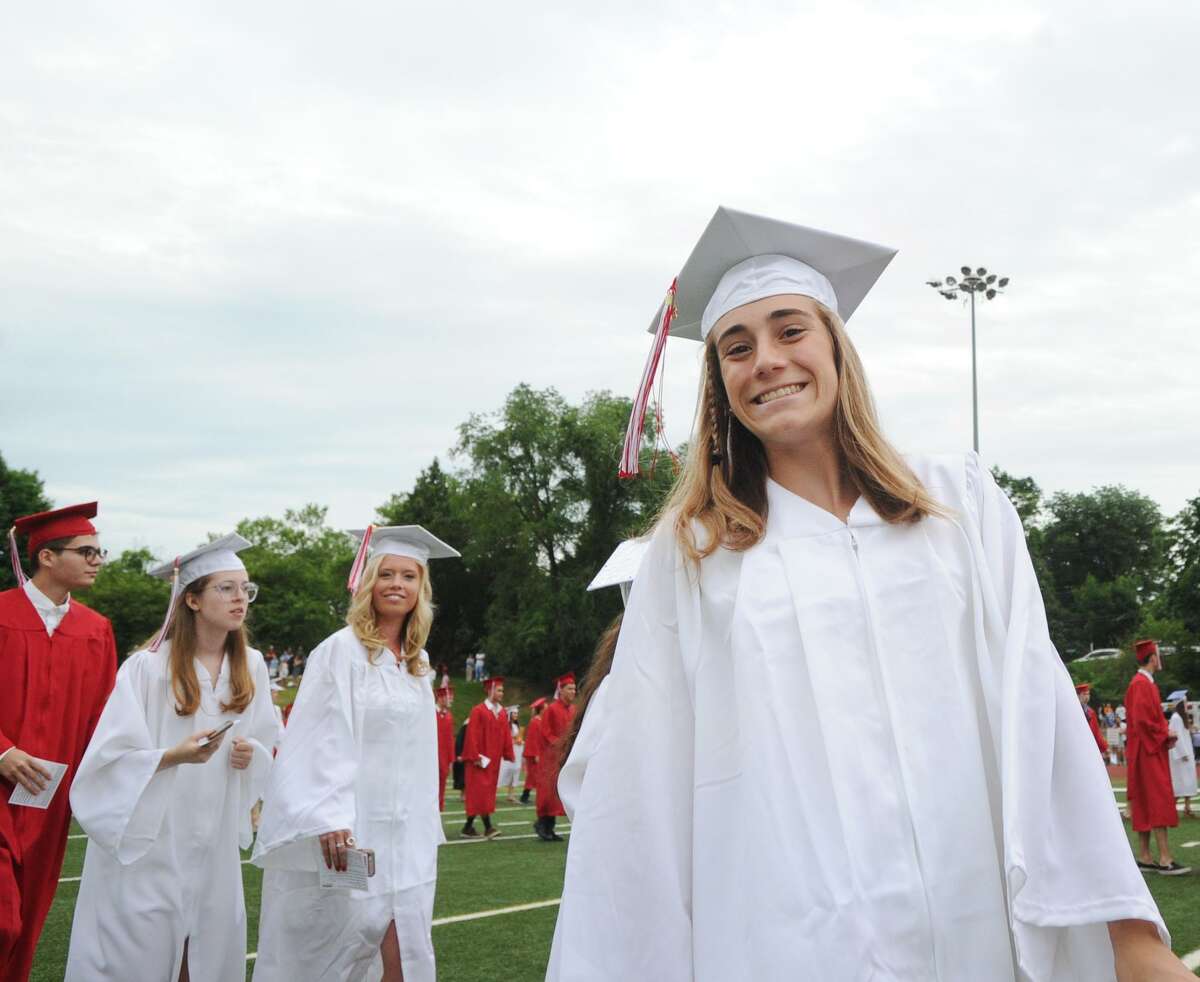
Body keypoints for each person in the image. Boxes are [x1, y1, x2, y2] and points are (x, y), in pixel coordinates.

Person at [548, 207, 1185, 980]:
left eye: (790, 331)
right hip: (789, 939)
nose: (767, 362)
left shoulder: (960, 505)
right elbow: (634, 795)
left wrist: (1130, 933)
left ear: (837, 349)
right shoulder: (692, 561)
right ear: (717, 382)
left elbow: (1040, 714)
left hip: (972, 923)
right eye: (736, 348)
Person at [65, 534, 280, 981]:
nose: (241, 598)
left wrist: (249, 755)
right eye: (226, 588)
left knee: (206, 944)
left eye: (246, 588)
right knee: (141, 947)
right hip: (153, 832)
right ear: (194, 600)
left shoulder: (252, 665)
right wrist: (170, 756)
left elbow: (264, 741)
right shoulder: (147, 668)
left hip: (214, 832)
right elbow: (107, 758)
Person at [252, 525, 460, 982]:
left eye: (409, 576)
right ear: (369, 582)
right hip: (353, 827)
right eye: (387, 574)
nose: (397, 585)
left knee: (405, 951)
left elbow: (423, 754)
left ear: (420, 590)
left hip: (407, 836)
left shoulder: (416, 664)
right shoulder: (340, 652)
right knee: (336, 947)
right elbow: (319, 736)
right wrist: (328, 816)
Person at [0, 502, 118, 982]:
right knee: (3, 916)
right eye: (85, 551)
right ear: (46, 557)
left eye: (98, 551)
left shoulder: (96, 630)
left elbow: (103, 720)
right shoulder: (1, 615)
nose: (97, 560)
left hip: (51, 799)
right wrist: (3, 750)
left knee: (28, 922)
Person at [1124, 639, 1189, 875]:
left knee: (1144, 801)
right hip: (1148, 752)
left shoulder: (1141, 683)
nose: (1159, 659)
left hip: (1144, 750)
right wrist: (1164, 731)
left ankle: (1145, 855)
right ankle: (1164, 858)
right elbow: (1142, 721)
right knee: (1158, 800)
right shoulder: (1142, 684)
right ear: (1152, 658)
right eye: (1158, 655)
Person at [460, 676, 513, 837]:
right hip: (480, 760)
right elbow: (472, 735)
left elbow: (506, 735)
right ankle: (488, 827)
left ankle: (468, 827)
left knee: (484, 794)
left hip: (493, 761)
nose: (501, 693)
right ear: (490, 690)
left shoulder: (502, 712)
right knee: (480, 793)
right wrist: (474, 755)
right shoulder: (478, 710)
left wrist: (508, 752)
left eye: (502, 690)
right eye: (498, 690)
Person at [534, 673, 576, 842]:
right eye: (569, 688)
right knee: (548, 793)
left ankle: (549, 828)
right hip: (551, 757)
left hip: (565, 756)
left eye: (574, 688)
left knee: (557, 793)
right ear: (561, 690)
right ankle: (542, 825)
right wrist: (559, 744)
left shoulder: (573, 710)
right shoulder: (552, 709)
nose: (573, 691)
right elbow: (545, 732)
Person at [1166, 690, 1196, 819]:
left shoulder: (1181, 717)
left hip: (1187, 754)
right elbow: (1175, 736)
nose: (1186, 704)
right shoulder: (1176, 718)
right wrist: (1183, 753)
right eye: (1185, 702)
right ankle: (1170, 809)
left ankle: (1187, 807)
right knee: (1180, 783)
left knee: (1189, 782)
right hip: (1180, 755)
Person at [520, 698, 546, 805]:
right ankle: (524, 796)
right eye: (545, 708)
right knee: (532, 776)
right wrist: (536, 754)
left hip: (535, 753)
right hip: (533, 754)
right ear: (541, 710)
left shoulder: (539, 721)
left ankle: (526, 796)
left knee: (534, 776)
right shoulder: (535, 722)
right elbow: (533, 739)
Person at [1075, 683, 1108, 759]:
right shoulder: (1073, 711)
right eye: (1084, 694)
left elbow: (1096, 732)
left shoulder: (1091, 712)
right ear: (1078, 695)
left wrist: (1104, 747)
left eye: (1088, 694)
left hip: (1089, 745)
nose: (1087, 696)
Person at [436, 684, 455, 811]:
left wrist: (451, 759)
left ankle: (439, 807)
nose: (449, 700)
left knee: (442, 783)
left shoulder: (448, 716)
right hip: (431, 756)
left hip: (443, 757)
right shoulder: (431, 714)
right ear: (440, 698)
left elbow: (450, 739)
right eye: (448, 697)